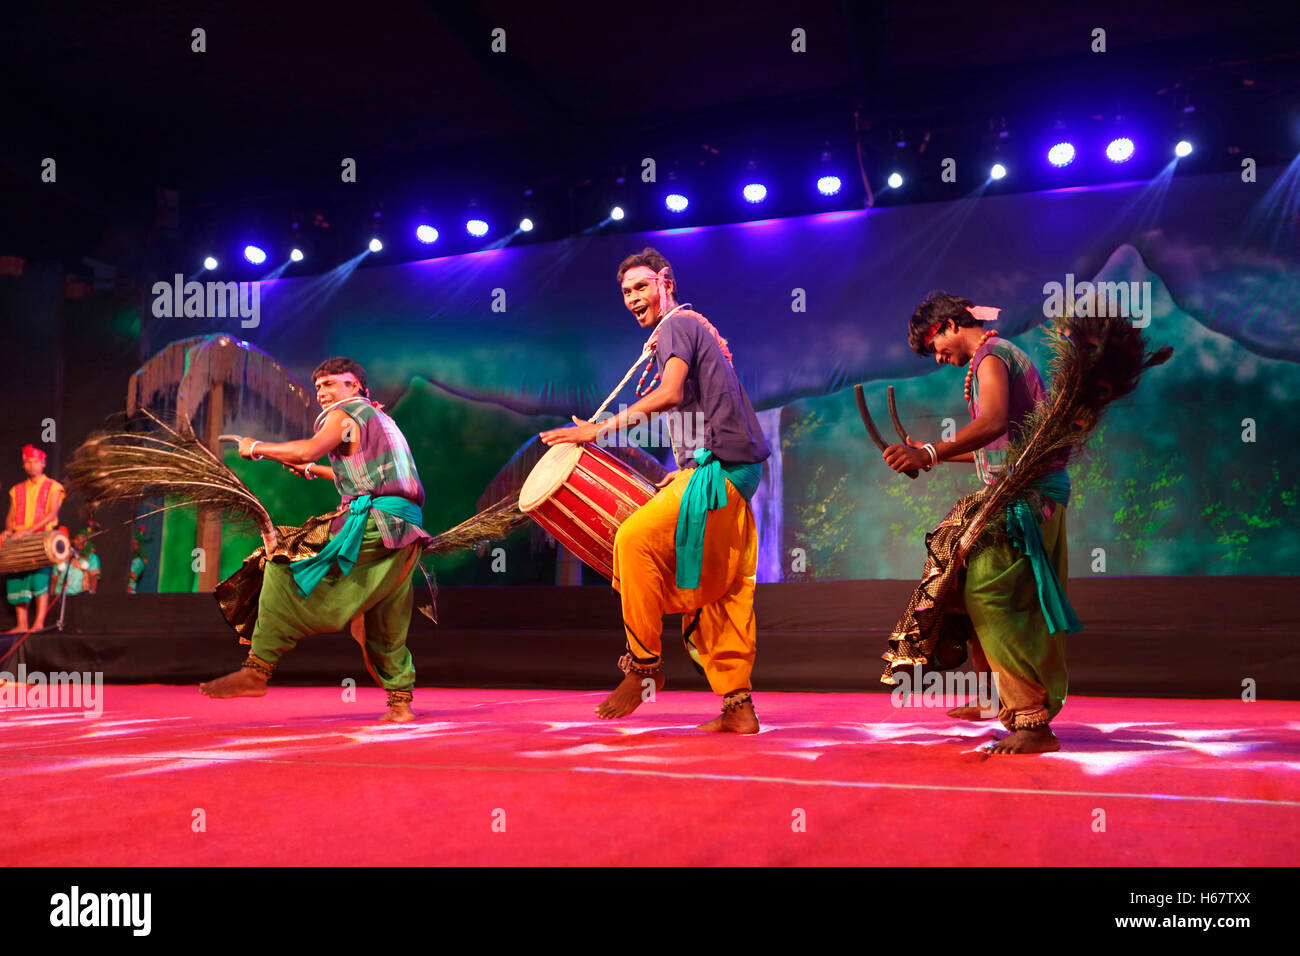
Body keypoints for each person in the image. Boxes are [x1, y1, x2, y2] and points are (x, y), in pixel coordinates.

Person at [540, 248, 770, 733]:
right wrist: (687, 466)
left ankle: (644, 666)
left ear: (666, 281)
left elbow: (669, 393)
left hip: (721, 473)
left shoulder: (676, 326)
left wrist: (595, 431)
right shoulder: (692, 328)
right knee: (717, 588)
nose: (633, 299)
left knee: (634, 539)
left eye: (641, 287)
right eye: (626, 292)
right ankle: (738, 705)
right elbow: (703, 407)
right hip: (728, 470)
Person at [880, 292, 1079, 754]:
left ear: (950, 323)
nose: (938, 357)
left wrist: (928, 451)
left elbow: (991, 422)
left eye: (935, 345)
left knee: (984, 591)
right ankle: (997, 697)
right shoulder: (991, 357)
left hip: (1025, 498)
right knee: (967, 584)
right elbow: (998, 440)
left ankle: (1031, 720)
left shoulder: (991, 355)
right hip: (1023, 493)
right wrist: (935, 456)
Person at [200, 358, 433, 723]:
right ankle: (400, 703)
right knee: (382, 614)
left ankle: (256, 670)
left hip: (373, 525)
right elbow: (368, 479)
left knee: (280, 569)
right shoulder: (380, 419)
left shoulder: (346, 414)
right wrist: (312, 470)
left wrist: (257, 446)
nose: (323, 392)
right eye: (319, 386)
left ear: (354, 386)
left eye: (331, 384)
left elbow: (307, 449)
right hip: (406, 529)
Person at [2, 445, 64, 633]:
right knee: (16, 579)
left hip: (40, 538)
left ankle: (38, 623)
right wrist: (8, 531)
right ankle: (22, 624)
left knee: (39, 580)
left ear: (43, 463)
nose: (31, 465)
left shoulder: (53, 486)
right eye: (28, 461)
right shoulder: (17, 489)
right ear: (23, 464)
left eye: (35, 461)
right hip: (18, 538)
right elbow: (10, 515)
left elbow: (52, 513)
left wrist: (29, 531)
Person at [52, 529, 100, 597]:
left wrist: (91, 596)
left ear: (87, 542)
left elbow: (94, 579)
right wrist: (51, 597)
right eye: (77, 539)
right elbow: (54, 579)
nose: (81, 541)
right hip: (59, 596)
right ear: (72, 540)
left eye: (84, 540)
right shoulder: (63, 556)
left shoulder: (92, 557)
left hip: (80, 598)